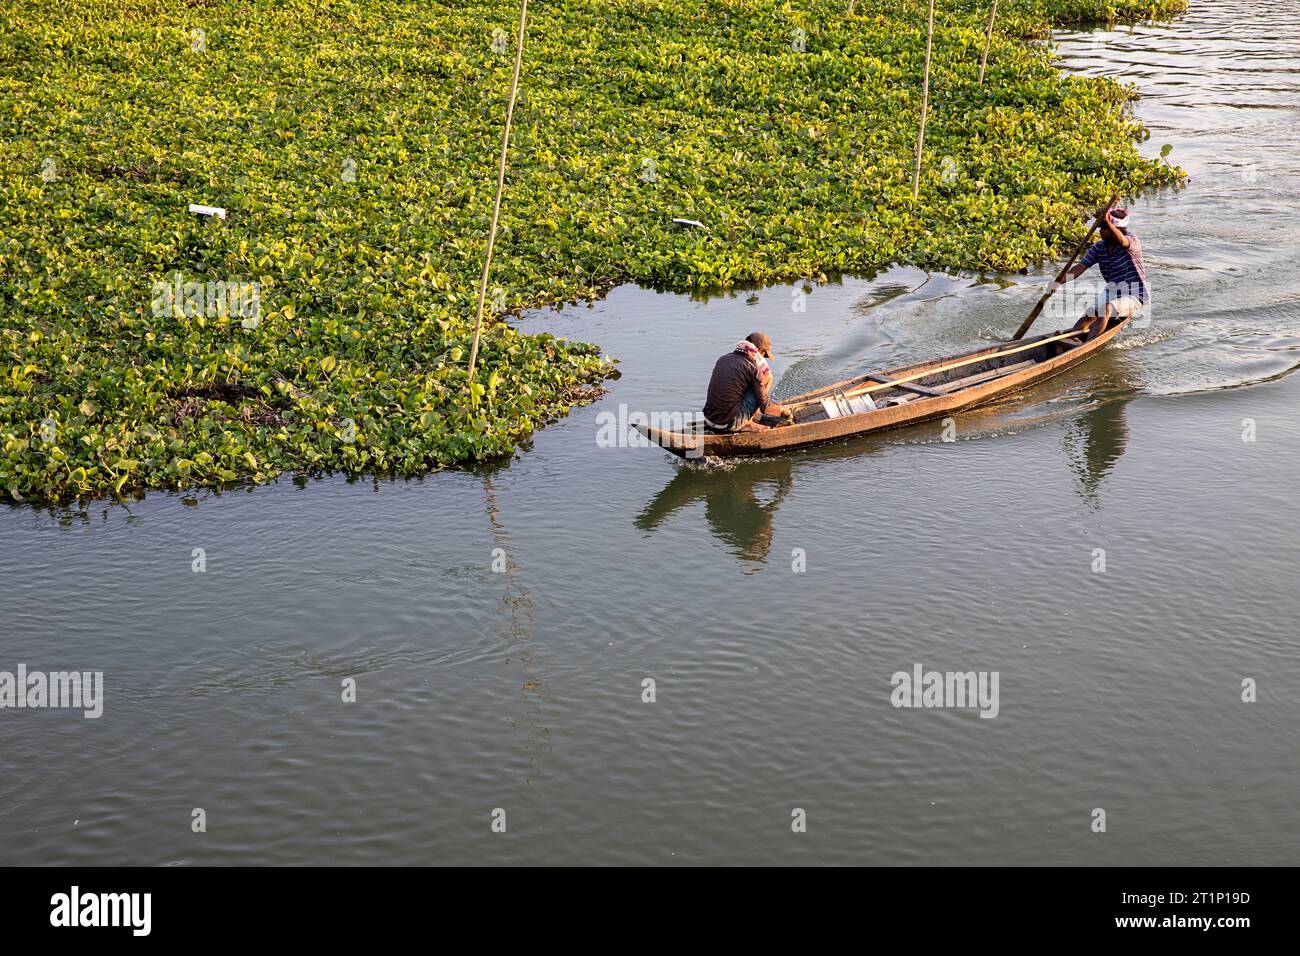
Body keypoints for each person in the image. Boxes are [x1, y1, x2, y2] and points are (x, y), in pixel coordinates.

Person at [1063, 207, 1149, 340]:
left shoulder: (1132, 240)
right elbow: (1080, 267)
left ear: (1116, 229)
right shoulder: (1099, 247)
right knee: (1089, 315)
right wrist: (1058, 282)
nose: (1100, 231)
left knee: (1107, 308)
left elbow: (1122, 241)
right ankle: (1069, 339)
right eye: (1101, 227)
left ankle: (1088, 344)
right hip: (1112, 291)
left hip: (1134, 294)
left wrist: (1106, 220)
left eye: (1104, 228)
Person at [702, 332, 790, 433]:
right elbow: (765, 407)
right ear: (760, 351)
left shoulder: (723, 359)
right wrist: (781, 410)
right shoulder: (754, 368)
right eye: (764, 355)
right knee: (767, 378)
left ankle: (752, 416)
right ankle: (746, 422)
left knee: (746, 385)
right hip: (729, 424)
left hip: (709, 418)